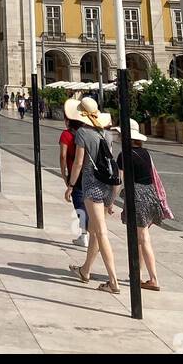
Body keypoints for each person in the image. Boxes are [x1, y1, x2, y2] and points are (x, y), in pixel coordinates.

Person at [65, 96, 121, 296]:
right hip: (107, 185)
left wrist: (71, 185)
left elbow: (79, 163)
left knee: (101, 232)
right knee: (94, 229)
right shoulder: (105, 133)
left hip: (92, 186)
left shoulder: (82, 133)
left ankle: (113, 281)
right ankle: (85, 270)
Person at [116, 119, 165, 291]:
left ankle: (153, 279)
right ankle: (137, 274)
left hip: (137, 197)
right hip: (151, 196)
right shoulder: (145, 153)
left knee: (143, 238)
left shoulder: (124, 155)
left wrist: (111, 201)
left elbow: (119, 180)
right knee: (140, 237)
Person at [59, 116, 88, 248]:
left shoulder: (66, 134)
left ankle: (85, 234)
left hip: (75, 173)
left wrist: (63, 173)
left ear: (68, 121)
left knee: (79, 205)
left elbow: (63, 156)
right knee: (89, 204)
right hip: (89, 173)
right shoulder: (86, 133)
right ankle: (90, 233)